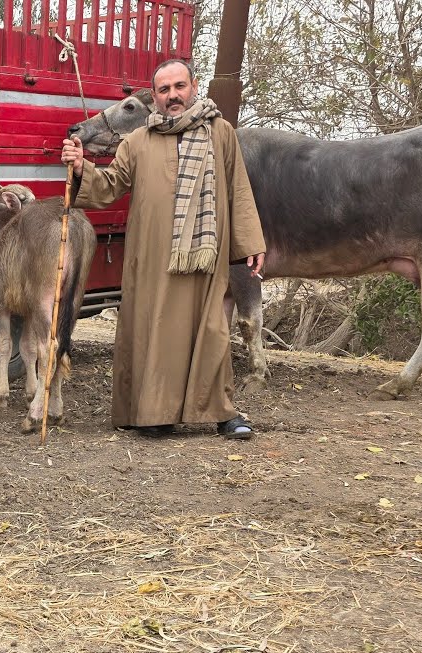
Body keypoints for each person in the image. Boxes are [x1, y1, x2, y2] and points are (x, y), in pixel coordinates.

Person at [60, 60, 266, 440]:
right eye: (164, 89)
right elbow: (108, 187)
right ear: (154, 96)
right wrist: (80, 168)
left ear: (193, 86)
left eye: (179, 86)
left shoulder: (220, 133)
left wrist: (251, 242)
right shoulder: (138, 141)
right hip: (151, 255)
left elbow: (238, 188)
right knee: (154, 329)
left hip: (205, 254)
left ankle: (223, 413)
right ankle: (154, 412)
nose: (173, 95)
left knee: (211, 330)